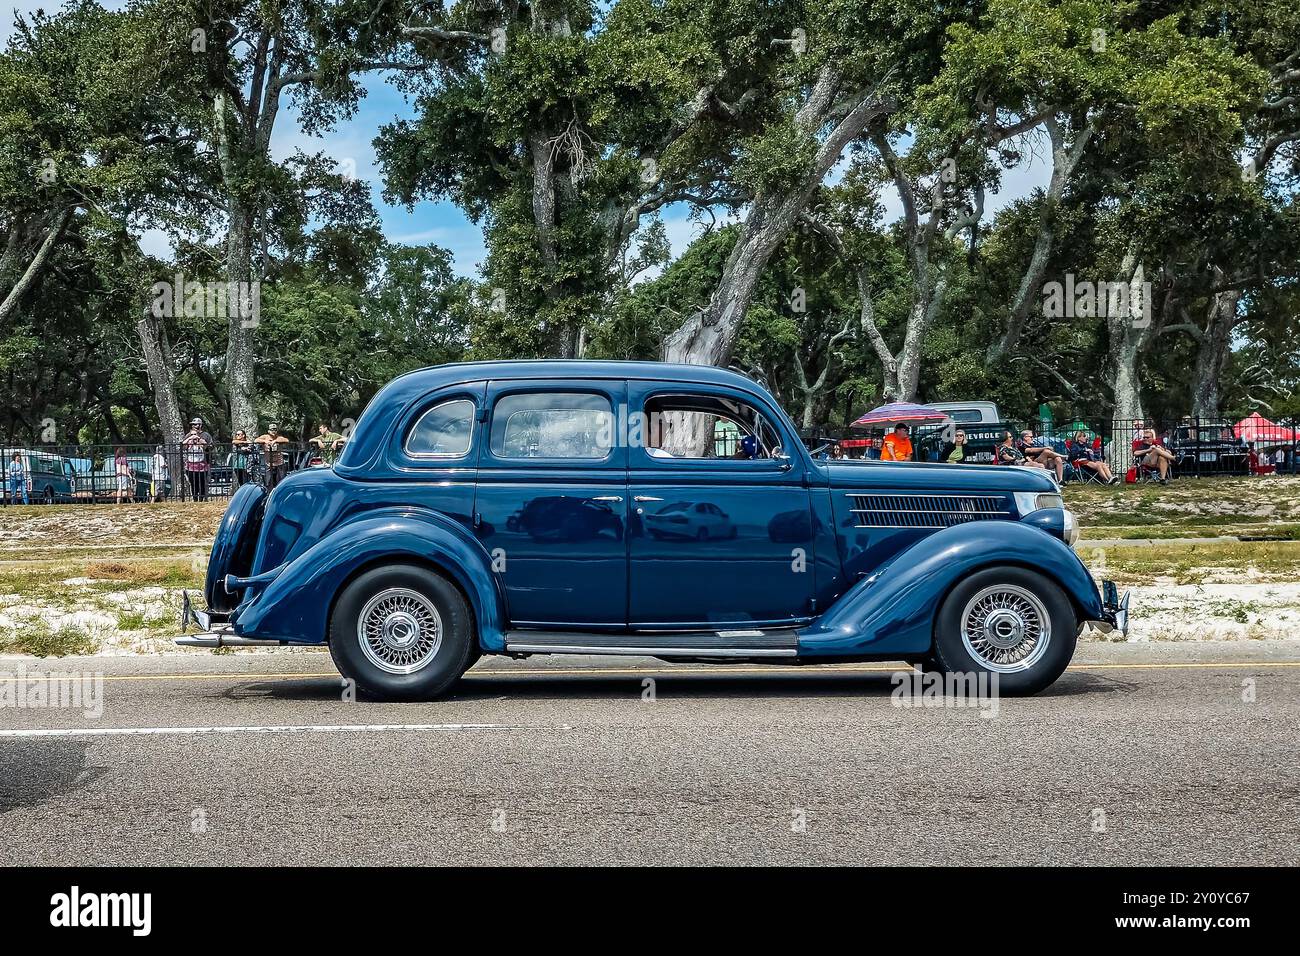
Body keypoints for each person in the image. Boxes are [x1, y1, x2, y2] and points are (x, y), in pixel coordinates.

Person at [181, 417, 212, 501]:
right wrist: (190, 438)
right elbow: (183, 446)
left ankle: (201, 499)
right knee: (193, 483)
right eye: (193, 424)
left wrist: (199, 439)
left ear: (200, 425)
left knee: (202, 483)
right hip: (191, 464)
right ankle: (195, 498)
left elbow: (209, 446)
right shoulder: (188, 435)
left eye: (196, 424)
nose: (194, 426)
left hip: (203, 463)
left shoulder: (206, 435)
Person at [255, 422, 291, 488]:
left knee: (281, 481)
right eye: (272, 430)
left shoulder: (279, 437)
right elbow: (256, 440)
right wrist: (265, 441)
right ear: (269, 431)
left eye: (275, 430)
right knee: (268, 482)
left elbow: (286, 440)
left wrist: (275, 441)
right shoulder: (265, 437)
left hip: (279, 463)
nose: (273, 431)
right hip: (269, 463)